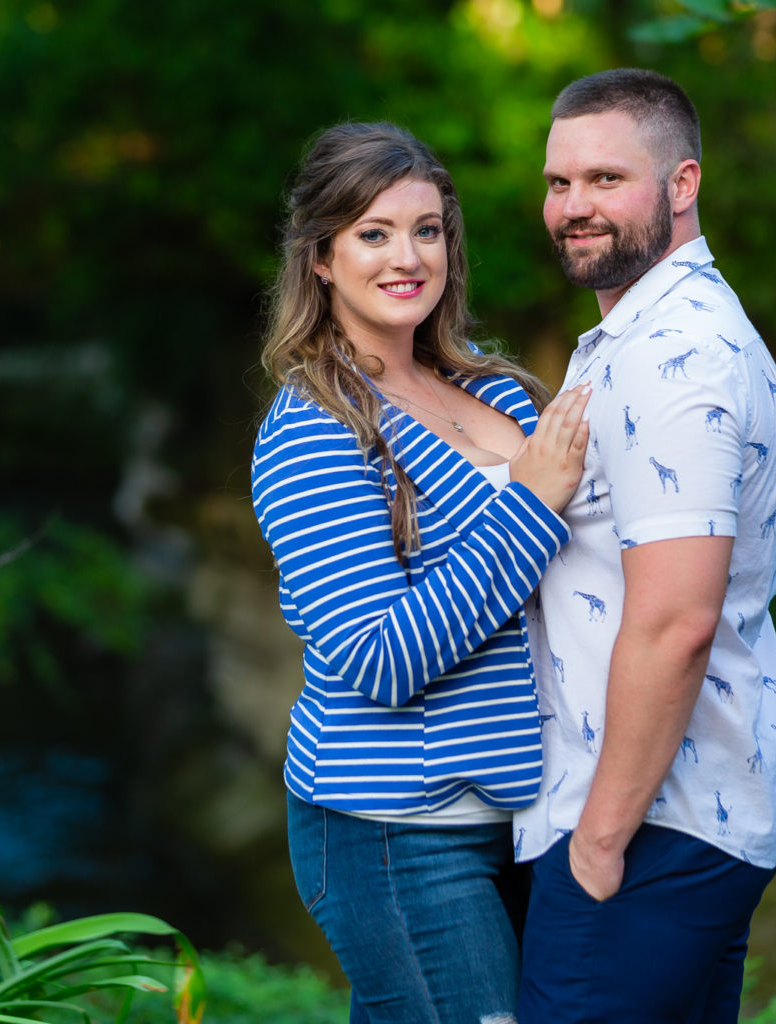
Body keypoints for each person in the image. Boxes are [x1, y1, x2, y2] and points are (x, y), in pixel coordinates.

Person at [251, 121, 591, 1024]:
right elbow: (380, 657)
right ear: (320, 257)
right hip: (394, 830)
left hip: (524, 808)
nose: (408, 256)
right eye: (374, 233)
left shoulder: (495, 391)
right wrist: (533, 501)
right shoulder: (313, 430)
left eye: (427, 229)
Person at [514, 69, 776, 1024]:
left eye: (605, 180)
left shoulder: (680, 359)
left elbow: (677, 619)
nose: (573, 207)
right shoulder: (642, 338)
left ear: (682, 185)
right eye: (559, 184)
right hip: (673, 821)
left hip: (649, 830)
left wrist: (597, 841)